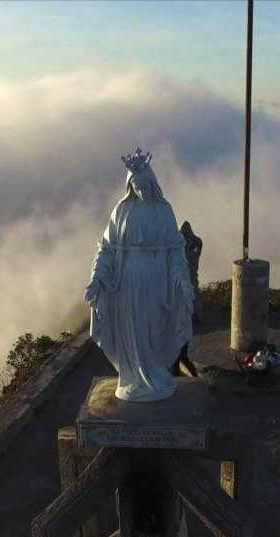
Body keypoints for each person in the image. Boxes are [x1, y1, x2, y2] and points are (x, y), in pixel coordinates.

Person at [84, 148, 194, 401]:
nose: (142, 191)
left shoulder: (164, 212)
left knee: (153, 329)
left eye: (146, 186)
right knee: (131, 332)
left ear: (153, 185)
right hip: (127, 283)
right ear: (130, 187)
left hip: (157, 283)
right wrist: (97, 279)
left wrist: (182, 281)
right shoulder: (121, 211)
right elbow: (107, 249)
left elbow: (175, 252)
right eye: (137, 187)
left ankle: (155, 376)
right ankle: (133, 377)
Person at [173, 221, 203, 377]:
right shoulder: (189, 249)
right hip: (188, 284)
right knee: (181, 358)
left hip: (189, 283)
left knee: (179, 358)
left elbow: (199, 243)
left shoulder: (188, 249)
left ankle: (181, 379)